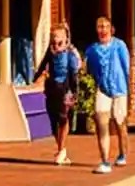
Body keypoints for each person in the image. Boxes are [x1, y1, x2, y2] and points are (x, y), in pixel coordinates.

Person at [85, 17, 131, 174]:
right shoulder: (92, 50)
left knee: (120, 123)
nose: (102, 29)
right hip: (103, 89)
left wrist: (127, 91)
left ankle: (123, 153)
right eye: (99, 26)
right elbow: (88, 68)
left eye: (105, 26)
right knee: (101, 121)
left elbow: (126, 68)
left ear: (112, 29)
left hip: (119, 88)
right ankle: (105, 160)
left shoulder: (120, 46)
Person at [35, 23, 83, 165]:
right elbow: (43, 64)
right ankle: (62, 149)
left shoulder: (70, 54)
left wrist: (74, 93)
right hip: (51, 89)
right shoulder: (51, 52)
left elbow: (73, 74)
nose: (56, 44)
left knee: (63, 119)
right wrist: (36, 77)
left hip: (65, 89)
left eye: (59, 41)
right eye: (53, 40)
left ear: (65, 39)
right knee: (52, 120)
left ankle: (61, 150)